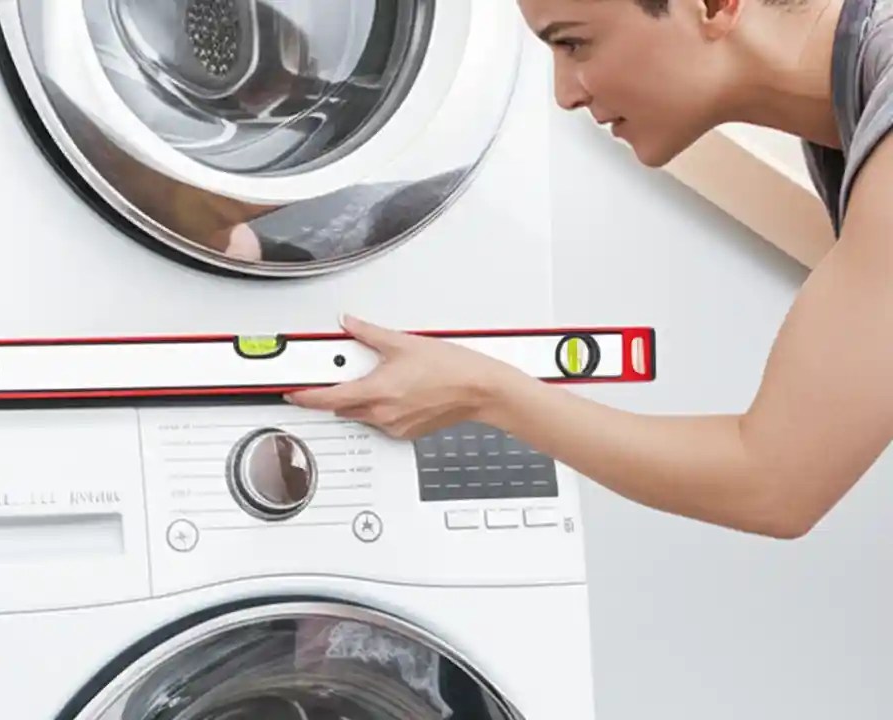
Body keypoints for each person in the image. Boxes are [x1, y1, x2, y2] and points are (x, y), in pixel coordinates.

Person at [286, 0, 893, 540]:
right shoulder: (854, 120)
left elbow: (775, 481)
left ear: (714, 6)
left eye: (574, 42)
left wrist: (483, 391)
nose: (565, 93)